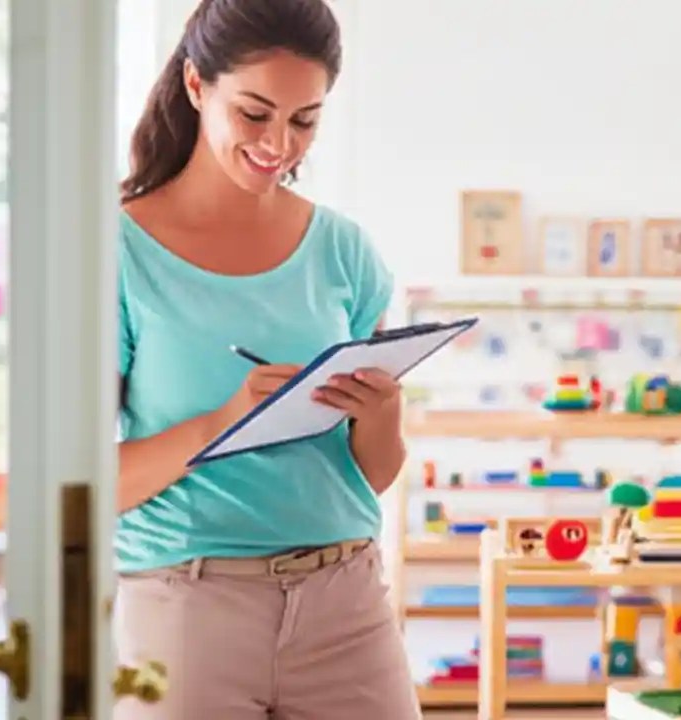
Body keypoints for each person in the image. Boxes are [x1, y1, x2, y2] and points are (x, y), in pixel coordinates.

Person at [112, 1, 419, 718]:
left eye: (304, 120)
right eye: (254, 114)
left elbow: (367, 477)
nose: (280, 144)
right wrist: (222, 423)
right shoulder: (119, 253)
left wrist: (383, 414)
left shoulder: (343, 250)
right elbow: (86, 485)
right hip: (185, 609)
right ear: (197, 85)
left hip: (345, 601)